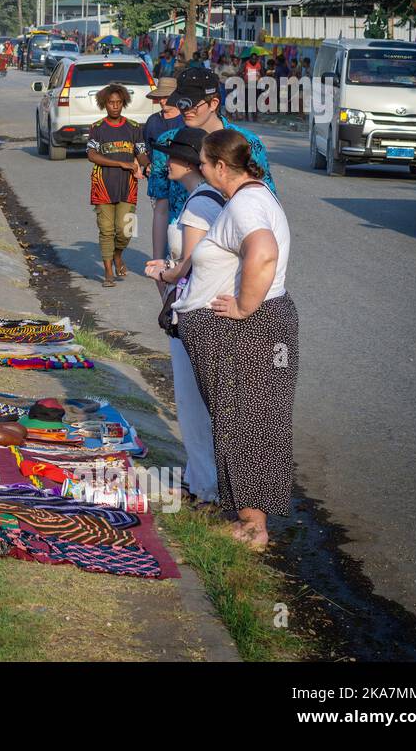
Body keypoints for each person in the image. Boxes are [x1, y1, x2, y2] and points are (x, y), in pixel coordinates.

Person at [174, 129, 297, 549]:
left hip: (245, 331)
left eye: (204, 164)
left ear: (221, 167)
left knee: (242, 423)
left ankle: (251, 527)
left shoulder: (245, 204)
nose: (200, 170)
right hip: (252, 329)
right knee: (252, 423)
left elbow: (262, 251)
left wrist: (245, 307)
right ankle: (251, 521)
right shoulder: (253, 196)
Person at [143, 127, 222, 504]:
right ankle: (198, 478)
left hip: (195, 312)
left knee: (193, 405)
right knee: (197, 403)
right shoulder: (202, 198)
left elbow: (190, 267)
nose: (165, 162)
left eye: (171, 156)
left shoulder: (198, 204)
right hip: (197, 308)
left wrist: (162, 272)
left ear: (189, 162)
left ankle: (205, 486)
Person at [148, 66, 276, 265]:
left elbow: (265, 204)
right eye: (181, 103)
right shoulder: (166, 144)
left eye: (192, 104)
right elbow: (161, 208)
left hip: (232, 259)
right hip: (179, 258)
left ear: (213, 103)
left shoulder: (246, 143)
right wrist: (158, 263)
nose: (185, 110)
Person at [87, 84, 148, 287]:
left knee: (127, 229)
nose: (115, 106)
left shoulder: (133, 127)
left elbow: (140, 152)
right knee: (106, 230)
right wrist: (120, 163)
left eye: (118, 102)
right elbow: (92, 155)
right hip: (102, 184)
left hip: (128, 185)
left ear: (124, 103)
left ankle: (118, 255)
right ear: (104, 104)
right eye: (111, 103)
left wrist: (147, 165)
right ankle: (107, 273)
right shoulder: (97, 129)